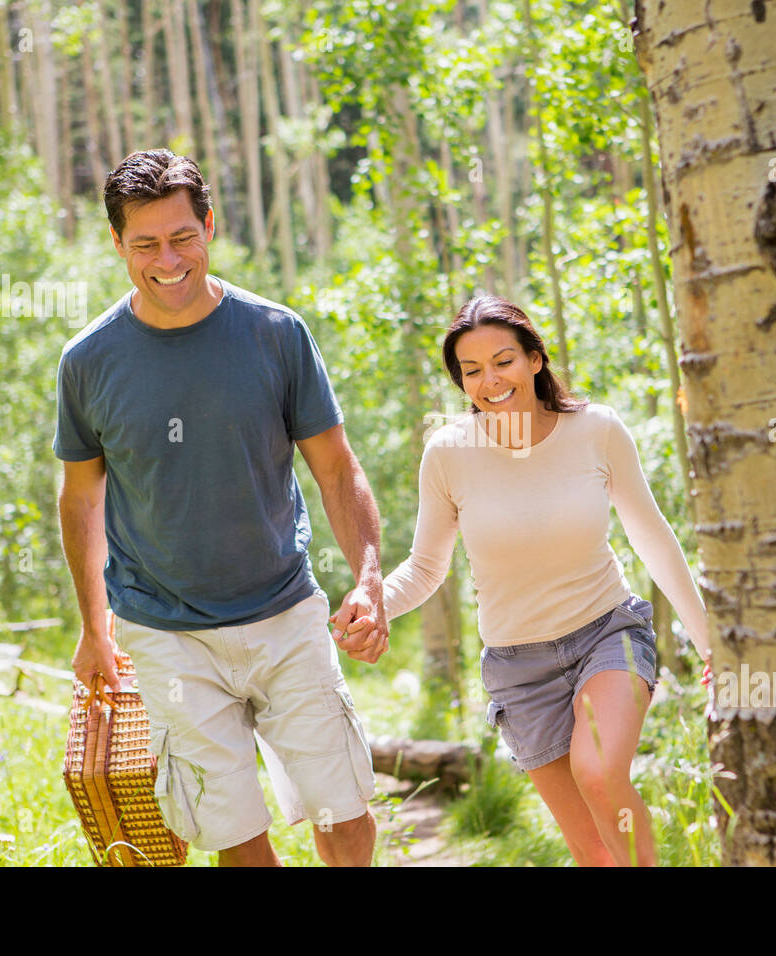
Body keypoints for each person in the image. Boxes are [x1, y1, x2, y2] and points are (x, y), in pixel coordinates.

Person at [54, 149, 389, 867]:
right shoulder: (88, 361)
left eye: (183, 237)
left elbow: (336, 469)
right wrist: (92, 627)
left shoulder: (275, 333)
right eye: (145, 243)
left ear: (209, 224)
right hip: (166, 633)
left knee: (343, 808)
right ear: (117, 244)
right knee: (232, 834)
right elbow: (81, 497)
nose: (167, 259)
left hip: (285, 611)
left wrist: (368, 580)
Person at [364, 295, 711, 867]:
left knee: (599, 773)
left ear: (535, 359)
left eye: (503, 361)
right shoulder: (448, 453)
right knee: (594, 851)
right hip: (518, 668)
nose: (490, 380)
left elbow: (653, 538)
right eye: (471, 371)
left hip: (608, 633)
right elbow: (426, 568)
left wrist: (710, 647)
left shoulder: (595, 429)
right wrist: (373, 605)